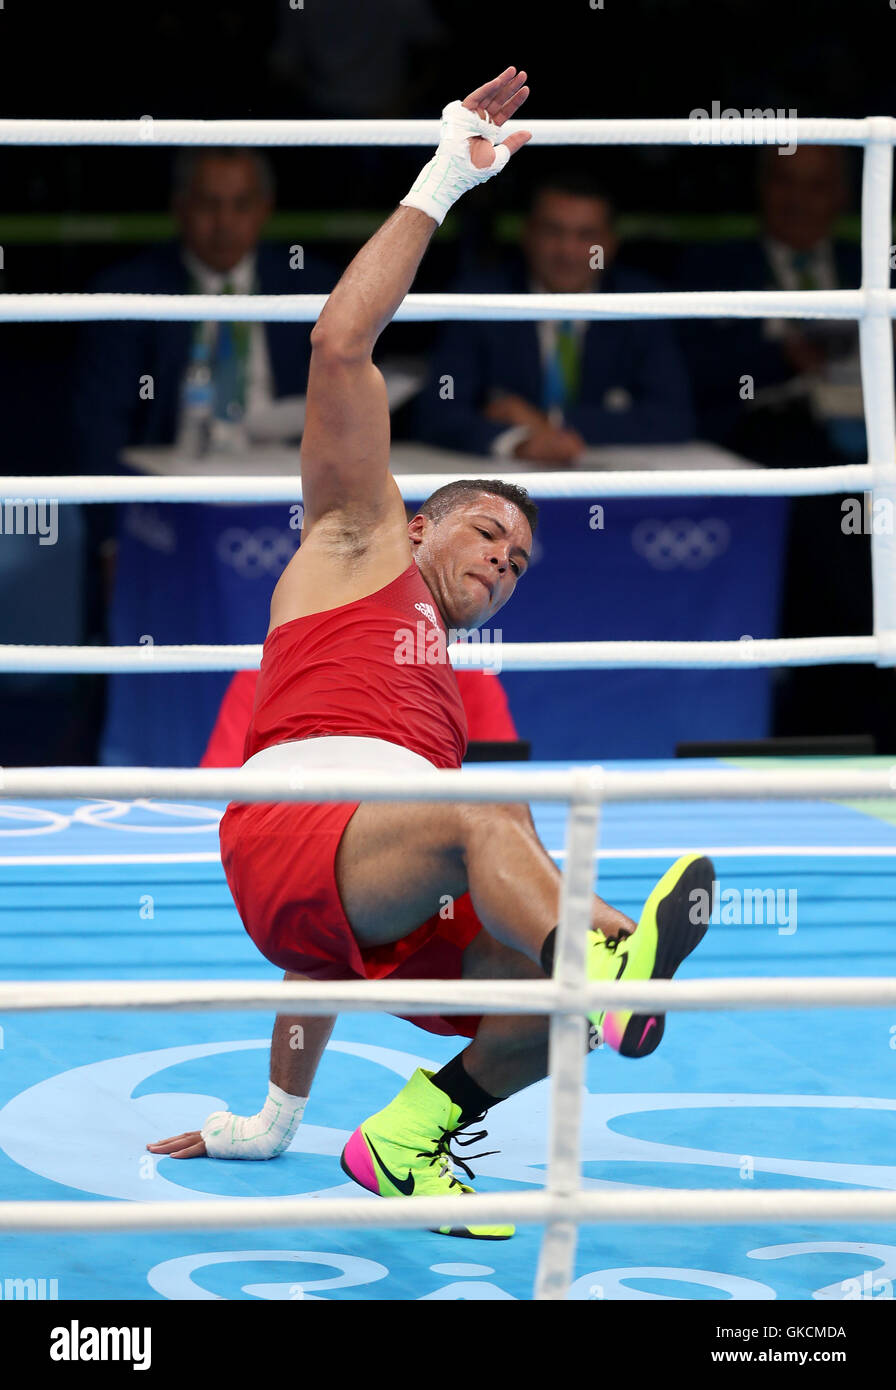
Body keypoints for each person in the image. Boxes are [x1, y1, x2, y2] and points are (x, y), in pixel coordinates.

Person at [148, 69, 713, 1240]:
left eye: (519, 560)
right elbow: (339, 341)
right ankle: (593, 975)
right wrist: (448, 170)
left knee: (547, 982)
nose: (503, 560)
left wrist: (271, 1119)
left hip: (353, 892)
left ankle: (408, 1137)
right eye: (486, 531)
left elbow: (319, 963)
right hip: (291, 837)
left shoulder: (441, 701)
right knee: (495, 826)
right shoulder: (357, 542)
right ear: (418, 520)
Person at [413, 170, 694, 463]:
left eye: (586, 236)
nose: (567, 251)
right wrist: (518, 442)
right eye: (552, 231)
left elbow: (673, 418)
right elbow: (438, 414)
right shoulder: (479, 301)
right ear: (528, 234)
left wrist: (548, 422)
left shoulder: (642, 305)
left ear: (610, 243)